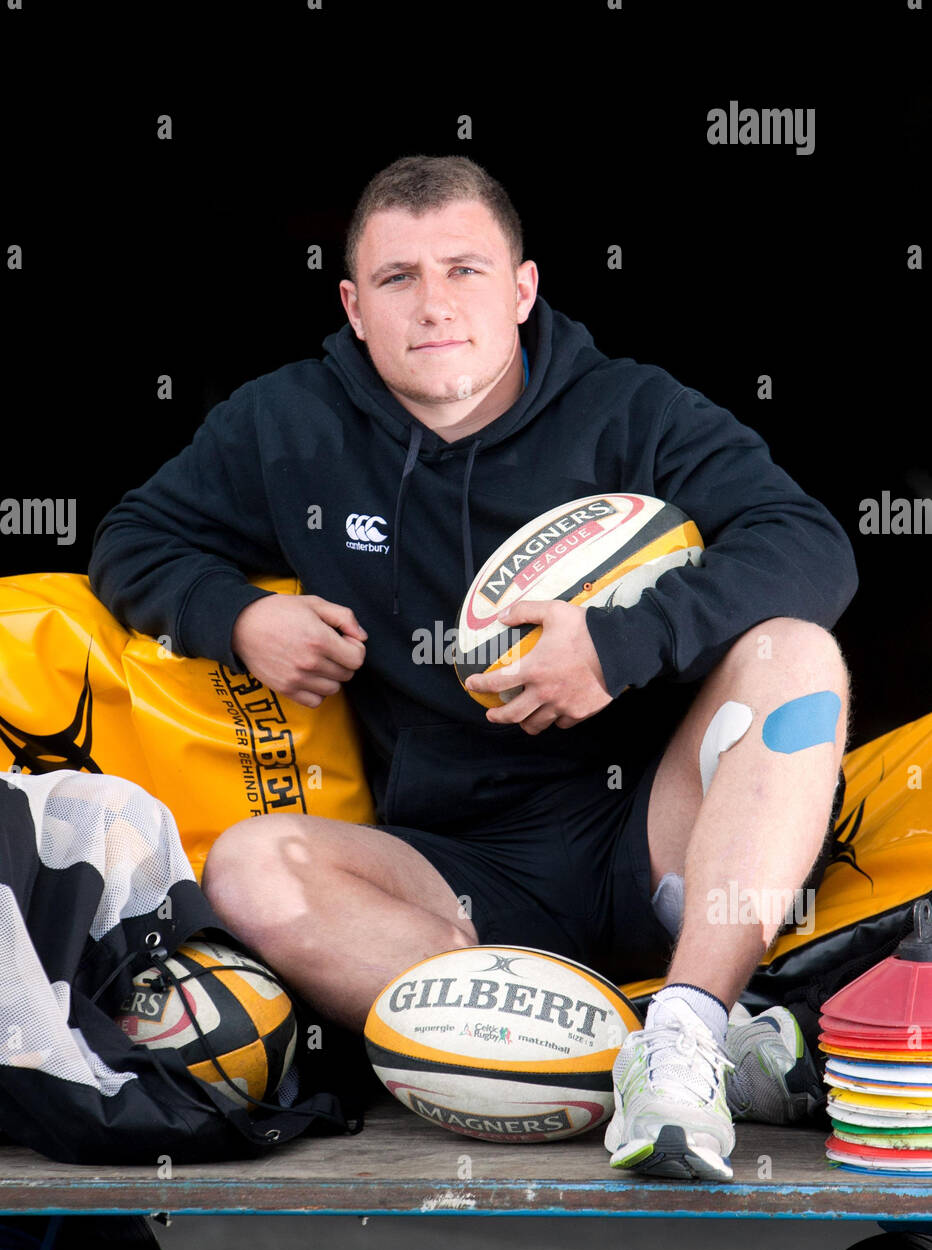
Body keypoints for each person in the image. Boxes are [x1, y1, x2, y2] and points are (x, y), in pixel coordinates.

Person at [89, 154, 856, 1181]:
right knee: (248, 864)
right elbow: (133, 538)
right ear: (354, 307)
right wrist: (236, 618)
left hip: (655, 834)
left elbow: (809, 546)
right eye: (399, 279)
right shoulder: (287, 425)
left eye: (465, 269)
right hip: (451, 874)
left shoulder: (629, 410)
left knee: (795, 650)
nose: (435, 304)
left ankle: (685, 1024)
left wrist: (615, 646)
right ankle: (612, 1051)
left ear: (524, 288)